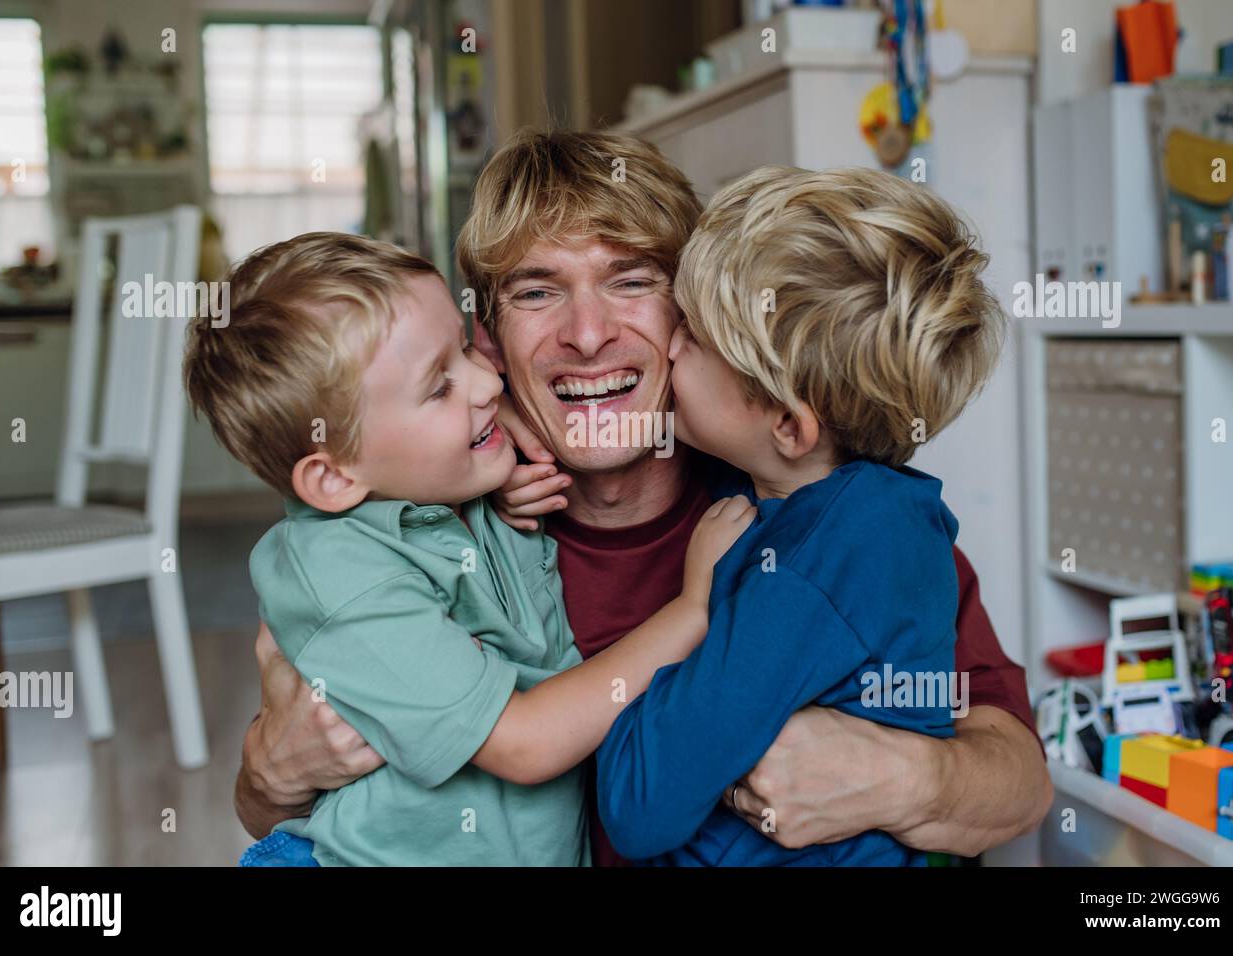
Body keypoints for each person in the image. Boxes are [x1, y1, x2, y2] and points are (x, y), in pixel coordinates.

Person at [235, 130, 1052, 865]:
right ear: (484, 338)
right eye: (536, 292)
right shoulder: (421, 534)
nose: (588, 336)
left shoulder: (816, 514)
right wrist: (272, 773)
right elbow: (280, 812)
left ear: (694, 307)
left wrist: (907, 778)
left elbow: (1021, 785)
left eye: (632, 280)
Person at [184, 232, 754, 865]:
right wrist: (694, 608)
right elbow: (524, 744)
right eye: (438, 386)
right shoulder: (345, 572)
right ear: (334, 478)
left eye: (464, 349)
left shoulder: (449, 491)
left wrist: (491, 448)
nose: (485, 382)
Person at [595, 165, 1005, 865]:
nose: (668, 346)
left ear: (790, 426)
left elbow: (639, 805)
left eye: (693, 338)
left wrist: (698, 606)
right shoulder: (885, 514)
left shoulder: (805, 574)